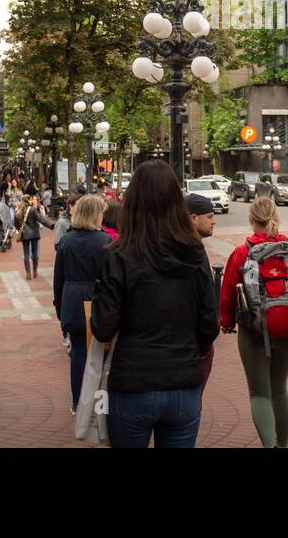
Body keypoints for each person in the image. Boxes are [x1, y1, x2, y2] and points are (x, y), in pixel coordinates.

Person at [90, 161, 218, 448]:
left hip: (133, 381)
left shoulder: (119, 255)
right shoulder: (195, 253)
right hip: (183, 382)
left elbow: (103, 327)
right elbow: (209, 324)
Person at [218, 196, 288, 448]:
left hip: (254, 331)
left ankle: (269, 446)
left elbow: (227, 293)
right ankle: (282, 444)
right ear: (276, 218)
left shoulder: (241, 253)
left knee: (260, 393)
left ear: (251, 220)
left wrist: (226, 321)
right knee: (279, 388)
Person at [52, 194, 110, 411]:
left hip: (72, 302)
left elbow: (58, 278)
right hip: (97, 302)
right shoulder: (105, 242)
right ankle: (100, 403)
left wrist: (60, 307)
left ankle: (78, 401)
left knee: (78, 352)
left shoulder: (66, 240)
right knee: (100, 354)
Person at [187, 193, 220, 397]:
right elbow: (206, 305)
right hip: (192, 349)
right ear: (193, 218)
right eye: (209, 216)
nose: (214, 221)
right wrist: (205, 345)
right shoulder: (193, 252)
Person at [20, 195, 52, 280]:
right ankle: (35, 271)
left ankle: (28, 273)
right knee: (35, 253)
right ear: (29, 200)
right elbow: (41, 219)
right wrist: (51, 226)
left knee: (26, 254)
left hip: (24, 234)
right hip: (34, 233)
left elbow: (16, 222)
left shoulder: (19, 209)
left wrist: (20, 229)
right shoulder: (33, 209)